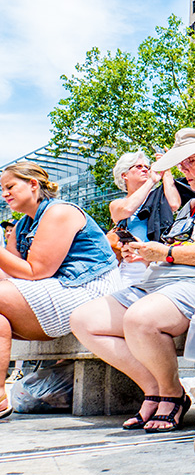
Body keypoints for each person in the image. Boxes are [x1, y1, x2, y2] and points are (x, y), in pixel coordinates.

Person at [70, 126, 195, 432]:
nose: (182, 170)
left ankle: (171, 394)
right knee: (83, 320)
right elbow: (177, 249)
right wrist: (143, 253)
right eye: (180, 163)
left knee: (140, 319)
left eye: (188, 161)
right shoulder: (193, 203)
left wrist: (164, 252)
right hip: (158, 280)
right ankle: (155, 389)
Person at [0, 162, 120, 419]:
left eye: (10, 186)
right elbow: (8, 274)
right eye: (2, 189)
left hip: (89, 291)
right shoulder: (21, 226)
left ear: (33, 184)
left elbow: (36, 271)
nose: (4, 194)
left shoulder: (60, 212)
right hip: (53, 290)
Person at [109, 151, 194, 286]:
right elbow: (128, 209)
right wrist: (151, 181)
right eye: (138, 166)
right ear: (124, 175)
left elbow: (174, 204)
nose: (144, 169)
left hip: (159, 263)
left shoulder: (158, 197)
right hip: (132, 266)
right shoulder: (117, 204)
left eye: (147, 167)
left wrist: (166, 170)